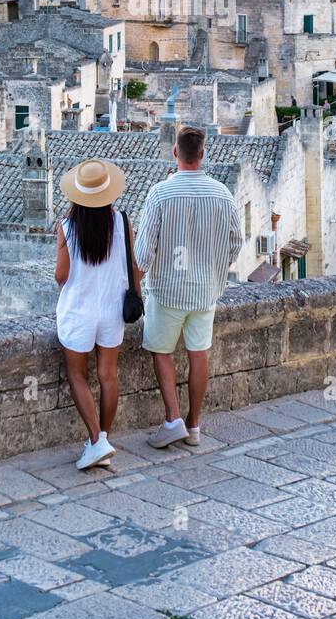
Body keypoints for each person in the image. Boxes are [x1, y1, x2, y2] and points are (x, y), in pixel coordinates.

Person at [134, 126, 242, 449]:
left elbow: (143, 253)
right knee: (199, 355)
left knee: (161, 351)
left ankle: (173, 419)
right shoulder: (222, 194)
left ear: (175, 153)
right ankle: (194, 426)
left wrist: (135, 285)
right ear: (203, 155)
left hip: (167, 290)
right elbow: (236, 241)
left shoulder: (160, 194)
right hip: (205, 291)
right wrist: (215, 267)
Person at [54, 158, 141, 470]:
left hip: (79, 311)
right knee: (108, 376)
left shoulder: (67, 228)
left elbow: (60, 276)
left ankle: (96, 441)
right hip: (111, 309)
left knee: (78, 374)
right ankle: (102, 437)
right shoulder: (122, 222)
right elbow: (133, 266)